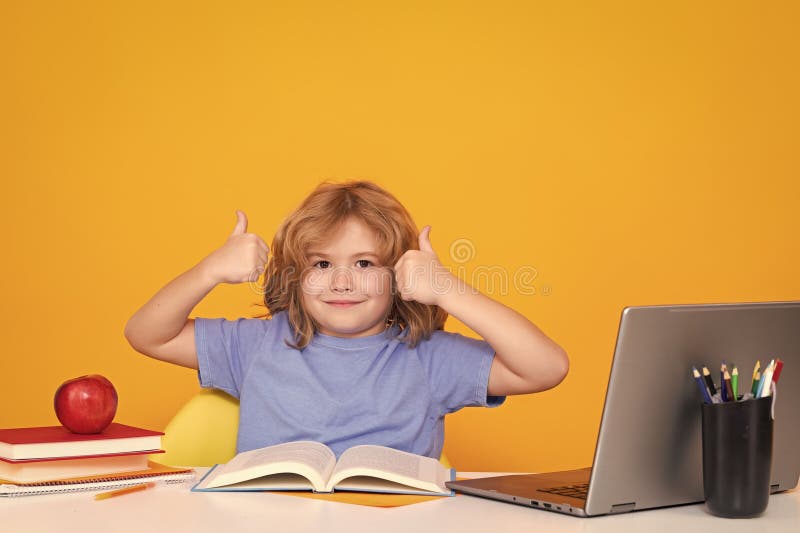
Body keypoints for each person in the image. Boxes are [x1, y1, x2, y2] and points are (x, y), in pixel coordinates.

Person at [124, 180, 568, 459]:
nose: (341, 282)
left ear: (398, 276)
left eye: (364, 264)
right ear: (295, 276)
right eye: (320, 265)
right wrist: (209, 271)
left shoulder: (429, 357)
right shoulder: (255, 344)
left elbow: (547, 367)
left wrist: (448, 290)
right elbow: (146, 335)